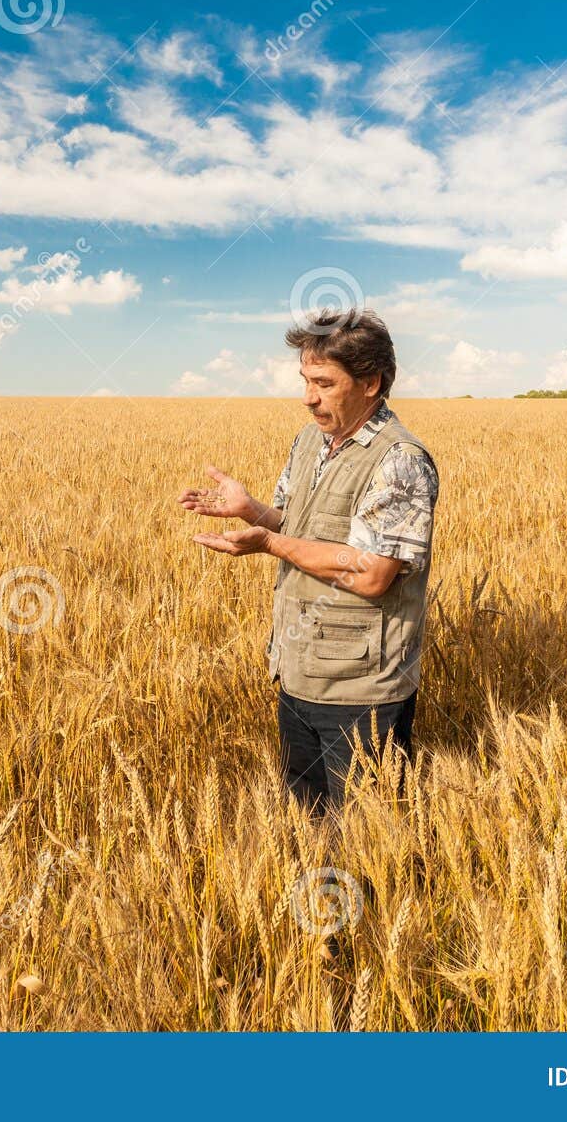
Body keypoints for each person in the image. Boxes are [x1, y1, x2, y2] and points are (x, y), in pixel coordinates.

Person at [178, 308, 439, 813]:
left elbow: (372, 574)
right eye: (305, 379)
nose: (308, 396)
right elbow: (298, 528)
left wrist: (268, 544)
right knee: (310, 828)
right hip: (298, 675)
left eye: (323, 382)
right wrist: (252, 510)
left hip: (362, 690)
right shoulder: (310, 442)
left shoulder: (399, 459)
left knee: (370, 842)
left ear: (370, 383)